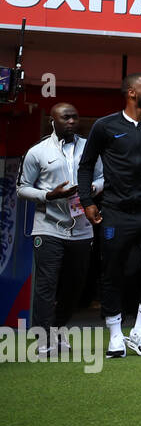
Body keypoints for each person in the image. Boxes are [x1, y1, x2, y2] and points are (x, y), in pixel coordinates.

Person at [78, 74, 141, 358]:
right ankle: (115, 335)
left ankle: (140, 329)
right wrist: (87, 201)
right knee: (112, 271)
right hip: (116, 212)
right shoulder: (104, 126)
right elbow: (85, 166)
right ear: (132, 93)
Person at [18, 104, 102, 354]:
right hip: (48, 228)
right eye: (66, 117)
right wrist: (49, 195)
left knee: (75, 284)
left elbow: (103, 177)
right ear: (52, 121)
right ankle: (44, 338)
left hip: (82, 228)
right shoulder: (37, 152)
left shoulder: (90, 147)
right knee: (47, 284)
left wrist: (89, 191)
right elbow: (22, 187)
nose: (72, 121)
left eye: (75, 117)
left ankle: (58, 329)